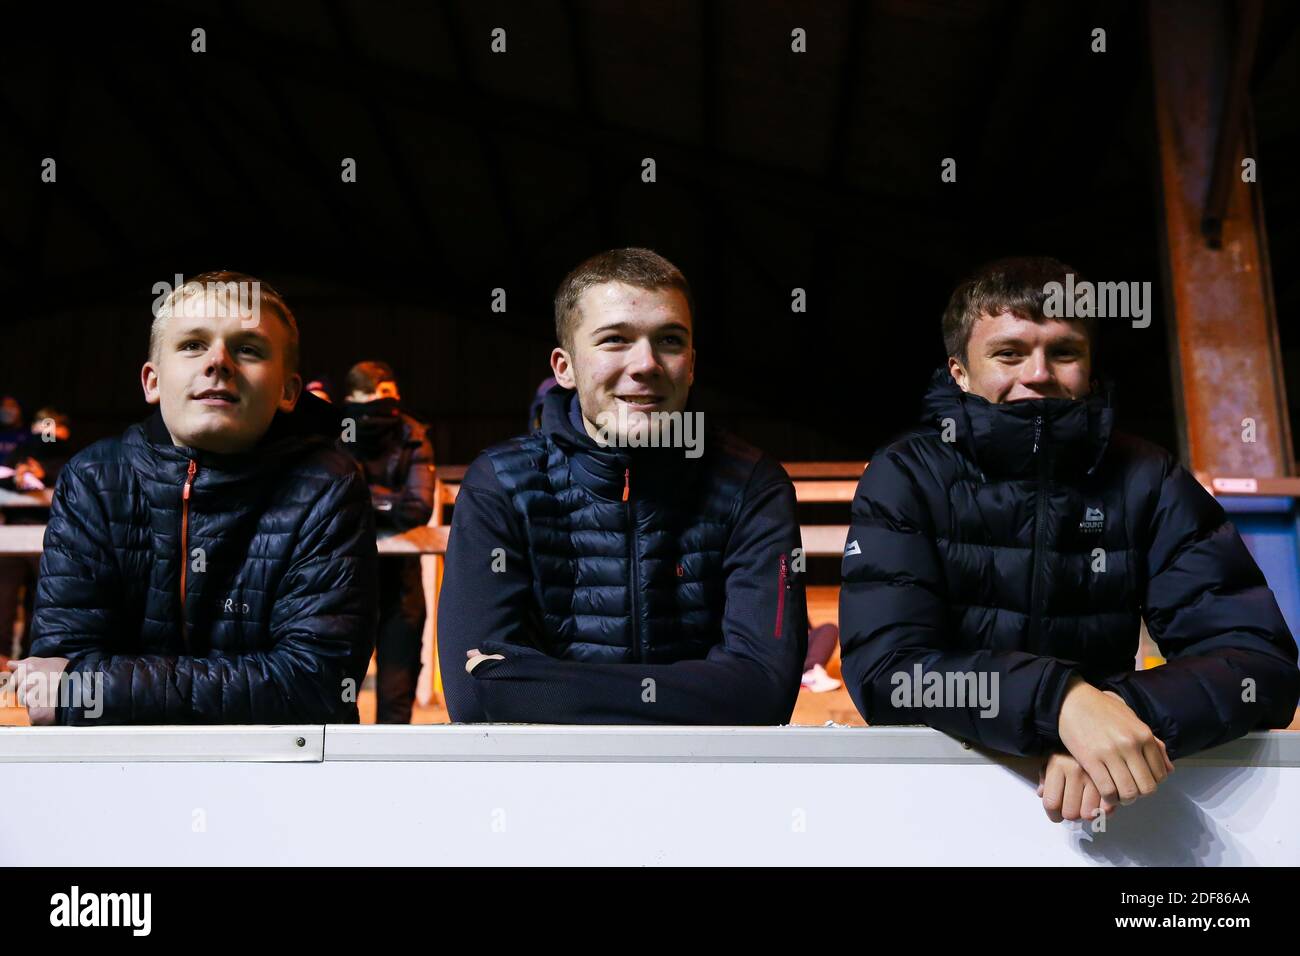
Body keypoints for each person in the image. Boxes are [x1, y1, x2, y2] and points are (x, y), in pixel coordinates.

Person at [839, 256, 1300, 823]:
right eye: (1009, 353)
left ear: (1088, 364)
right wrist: (1059, 702)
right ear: (959, 371)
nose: (1038, 373)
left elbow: (1260, 664)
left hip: (1107, 801)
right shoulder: (906, 475)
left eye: (1063, 352)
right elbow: (889, 673)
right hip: (941, 799)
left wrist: (1113, 715)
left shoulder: (1147, 478)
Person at [438, 247, 807, 723]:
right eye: (615, 340)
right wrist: (698, 692)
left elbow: (763, 693)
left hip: (707, 780)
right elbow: (474, 698)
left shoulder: (752, 486)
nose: (646, 364)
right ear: (563, 367)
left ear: (691, 363)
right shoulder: (501, 484)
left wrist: (537, 683)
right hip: (546, 785)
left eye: (670, 340)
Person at [6, 271, 378, 725]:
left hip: (273, 780)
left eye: (248, 348)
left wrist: (93, 686)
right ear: (152, 381)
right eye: (192, 345)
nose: (218, 361)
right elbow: (56, 681)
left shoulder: (327, 486)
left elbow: (315, 686)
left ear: (288, 391)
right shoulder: (93, 478)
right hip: (114, 778)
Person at [341, 360, 435, 723]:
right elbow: (339, 498)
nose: (387, 406)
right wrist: (385, 501)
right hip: (345, 581)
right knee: (337, 691)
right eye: (378, 397)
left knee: (397, 693)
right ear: (354, 398)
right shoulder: (339, 432)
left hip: (401, 584)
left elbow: (418, 507)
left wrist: (368, 498)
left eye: (392, 396)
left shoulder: (412, 433)